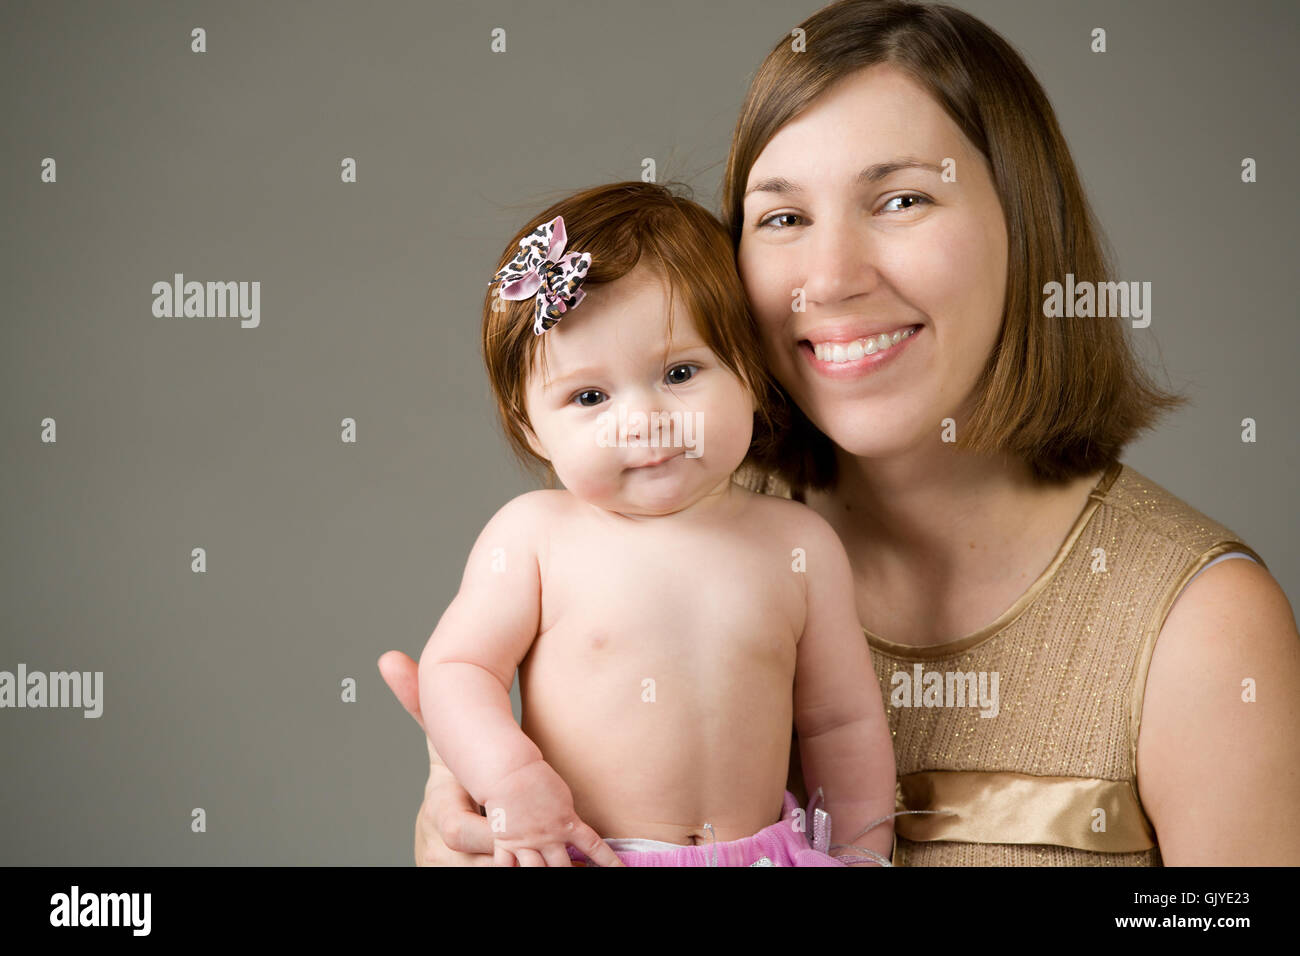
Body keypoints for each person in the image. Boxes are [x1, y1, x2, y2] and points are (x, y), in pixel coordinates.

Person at [381, 0, 1300, 866]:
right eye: (782, 217)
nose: (829, 278)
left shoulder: (1195, 625)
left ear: (1027, 224)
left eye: (901, 200)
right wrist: (462, 818)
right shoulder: (667, 525)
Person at [411, 182, 898, 866]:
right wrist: (512, 781)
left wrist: (860, 850)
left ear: (751, 377)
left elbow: (839, 722)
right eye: (589, 395)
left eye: (678, 372)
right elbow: (458, 668)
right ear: (533, 427)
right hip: (585, 852)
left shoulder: (799, 545)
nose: (643, 419)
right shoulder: (535, 538)